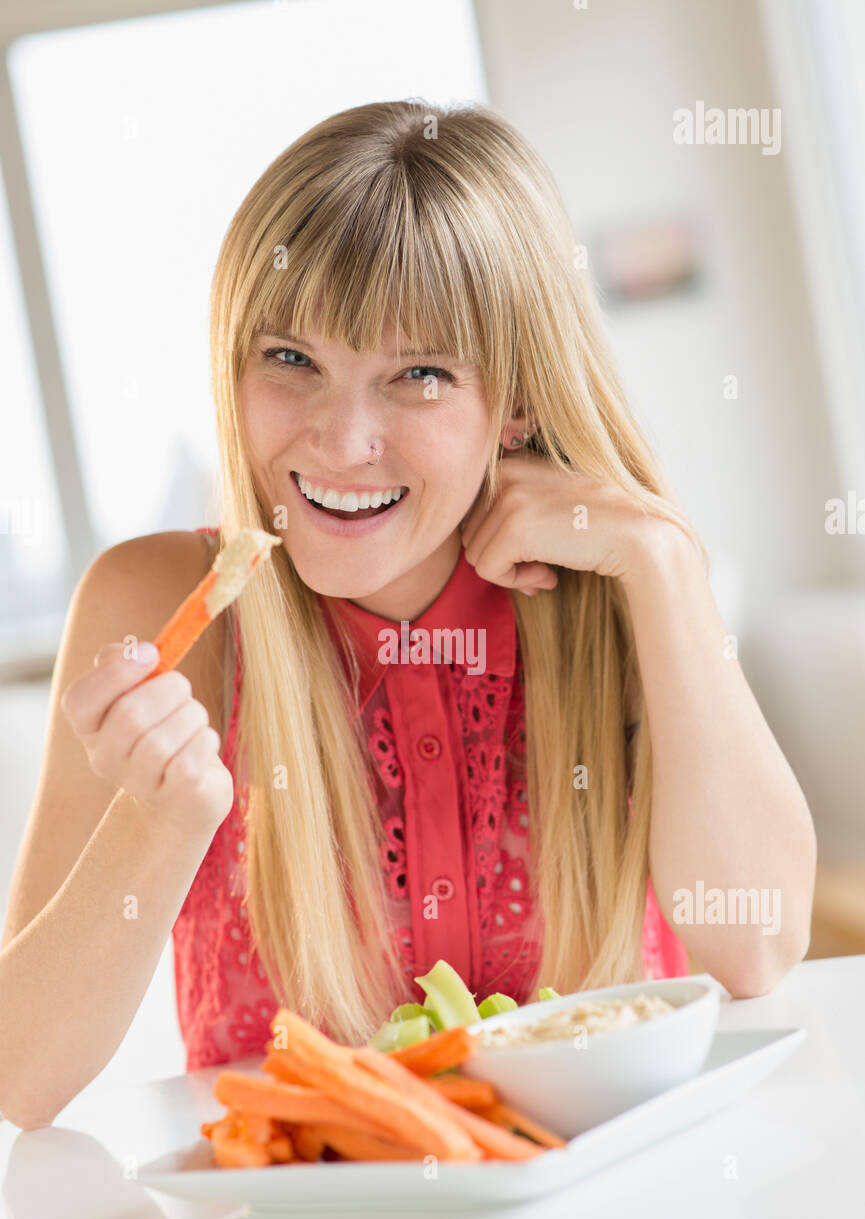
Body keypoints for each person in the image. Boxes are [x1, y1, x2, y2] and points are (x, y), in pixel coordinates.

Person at [0, 100, 815, 1126]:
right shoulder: (164, 607)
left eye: (417, 375)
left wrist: (662, 562)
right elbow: (22, 1080)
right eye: (290, 360)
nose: (341, 442)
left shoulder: (619, 586)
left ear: (512, 399)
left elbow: (756, 949)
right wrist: (159, 822)